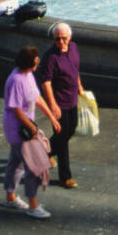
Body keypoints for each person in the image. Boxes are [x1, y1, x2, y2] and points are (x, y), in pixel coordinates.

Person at [3, 45, 60, 218]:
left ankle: (11, 196)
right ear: (29, 63)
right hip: (19, 130)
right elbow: (17, 110)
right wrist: (33, 128)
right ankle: (33, 206)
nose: (38, 63)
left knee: (15, 163)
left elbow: (36, 97)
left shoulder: (27, 75)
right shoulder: (16, 80)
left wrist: (51, 116)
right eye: (36, 61)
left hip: (24, 128)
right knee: (33, 167)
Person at [38, 24, 86, 188]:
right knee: (63, 138)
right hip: (59, 102)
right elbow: (46, 82)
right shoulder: (50, 57)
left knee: (70, 131)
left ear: (70, 37)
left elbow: (75, 69)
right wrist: (52, 105)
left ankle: (45, 153)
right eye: (57, 39)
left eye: (64, 38)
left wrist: (79, 86)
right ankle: (65, 178)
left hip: (72, 99)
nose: (61, 42)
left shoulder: (74, 48)